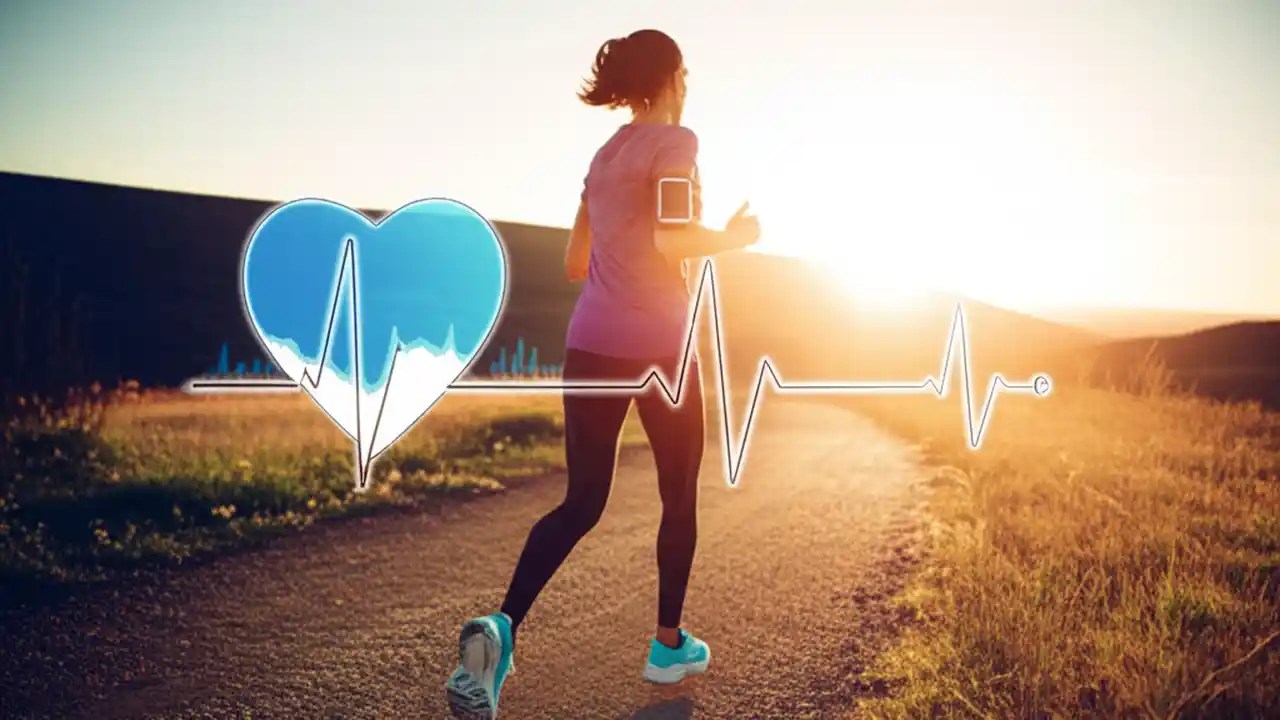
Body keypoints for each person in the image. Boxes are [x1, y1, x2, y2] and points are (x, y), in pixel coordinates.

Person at [446, 29, 761, 719]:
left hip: (591, 340)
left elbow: (573, 261)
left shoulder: (603, 156)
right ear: (674, 78)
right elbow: (673, 239)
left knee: (582, 501)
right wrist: (735, 237)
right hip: (660, 346)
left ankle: (500, 630)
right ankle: (667, 645)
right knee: (679, 494)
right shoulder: (677, 145)